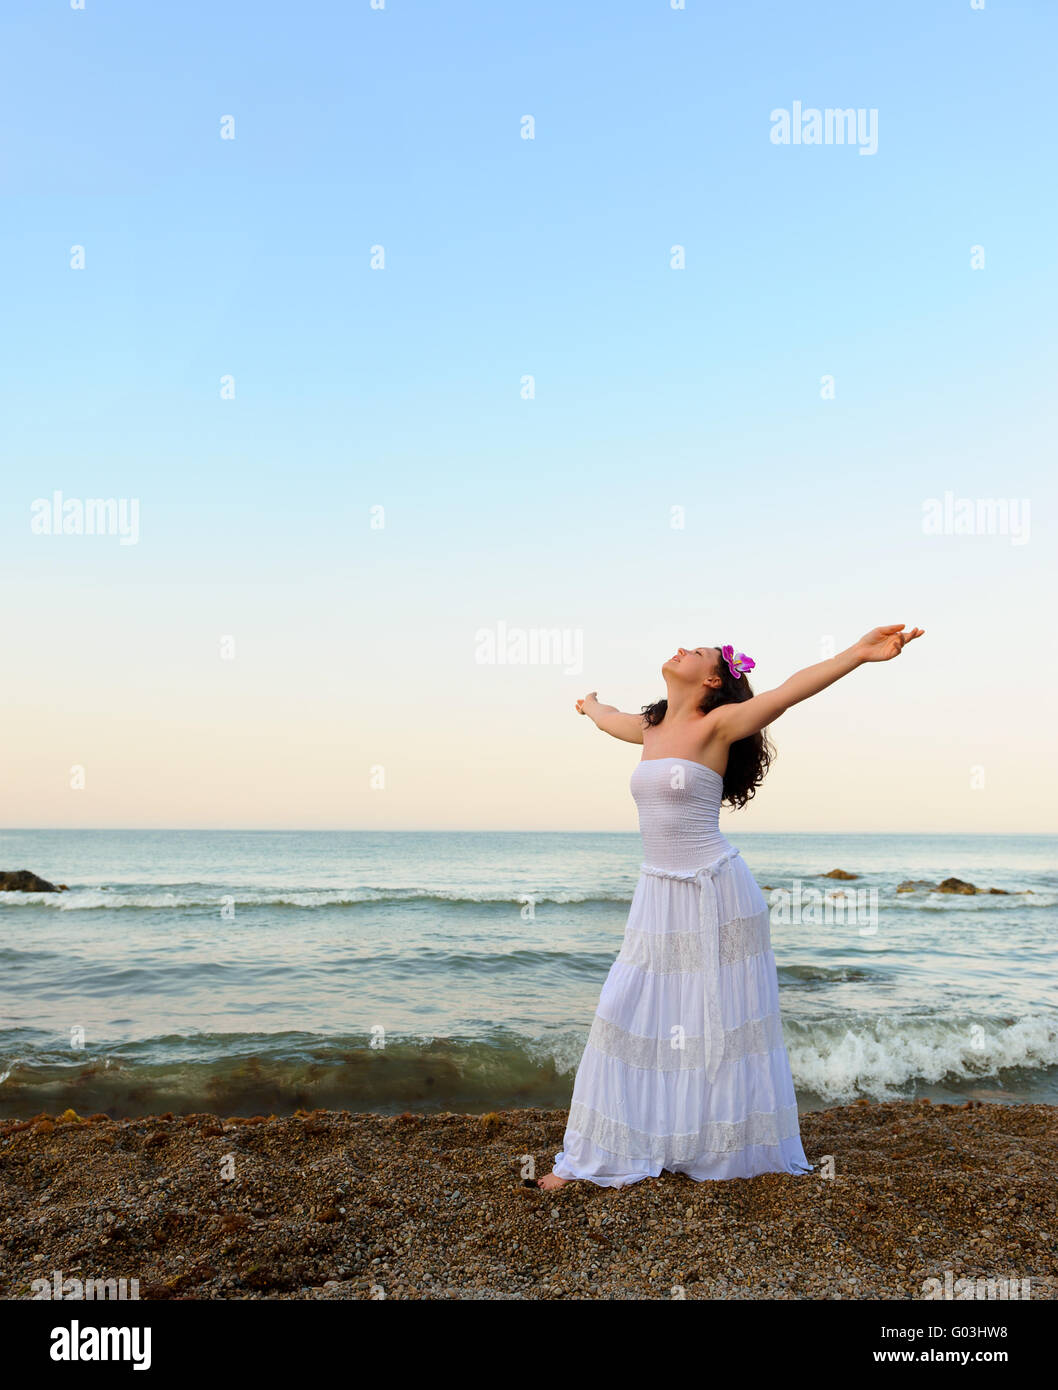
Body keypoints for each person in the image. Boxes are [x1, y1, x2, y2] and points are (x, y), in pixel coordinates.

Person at [536, 624, 925, 1189]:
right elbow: (609, 717)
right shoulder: (650, 729)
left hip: (716, 892)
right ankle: (620, 1147)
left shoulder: (719, 723)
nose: (682, 647)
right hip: (659, 893)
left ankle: (717, 1146)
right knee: (630, 1007)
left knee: (715, 1022)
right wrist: (589, 704)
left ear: (712, 679)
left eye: (697, 651)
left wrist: (859, 654)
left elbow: (788, 692)